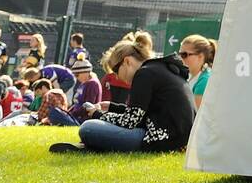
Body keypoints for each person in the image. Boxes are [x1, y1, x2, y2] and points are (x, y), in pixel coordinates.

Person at [50, 32, 193, 153]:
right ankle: (96, 146)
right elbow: (141, 115)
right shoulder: (158, 69)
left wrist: (98, 114)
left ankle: (94, 145)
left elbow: (130, 121)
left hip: (162, 141)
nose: (117, 77)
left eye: (116, 71)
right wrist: (112, 107)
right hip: (177, 139)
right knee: (96, 128)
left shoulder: (144, 74)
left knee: (88, 128)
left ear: (127, 61)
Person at [178, 36, 214, 112]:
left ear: (200, 56)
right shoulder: (189, 76)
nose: (181, 58)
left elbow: (194, 115)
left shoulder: (204, 80)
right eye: (179, 54)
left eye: (184, 55)